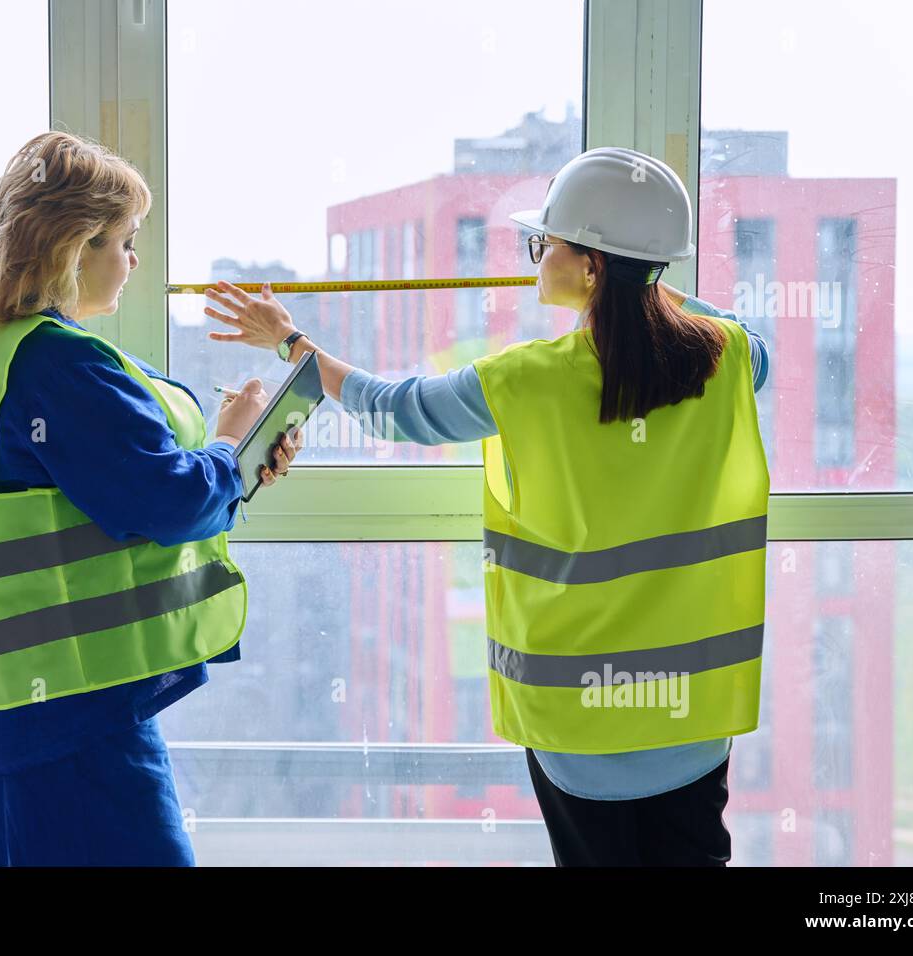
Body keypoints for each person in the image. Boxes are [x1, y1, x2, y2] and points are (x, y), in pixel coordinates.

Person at [203, 146, 770, 866]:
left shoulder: (526, 379)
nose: (534, 256)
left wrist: (289, 341)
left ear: (591, 264)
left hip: (578, 722)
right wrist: (653, 281)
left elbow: (394, 410)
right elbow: (757, 342)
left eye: (545, 243)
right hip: (693, 714)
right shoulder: (728, 359)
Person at [0, 130, 298, 866]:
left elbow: (117, 489)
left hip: (13, 716)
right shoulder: (60, 363)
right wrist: (231, 446)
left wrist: (232, 468)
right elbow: (164, 500)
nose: (133, 261)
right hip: (74, 724)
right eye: (124, 241)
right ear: (75, 245)